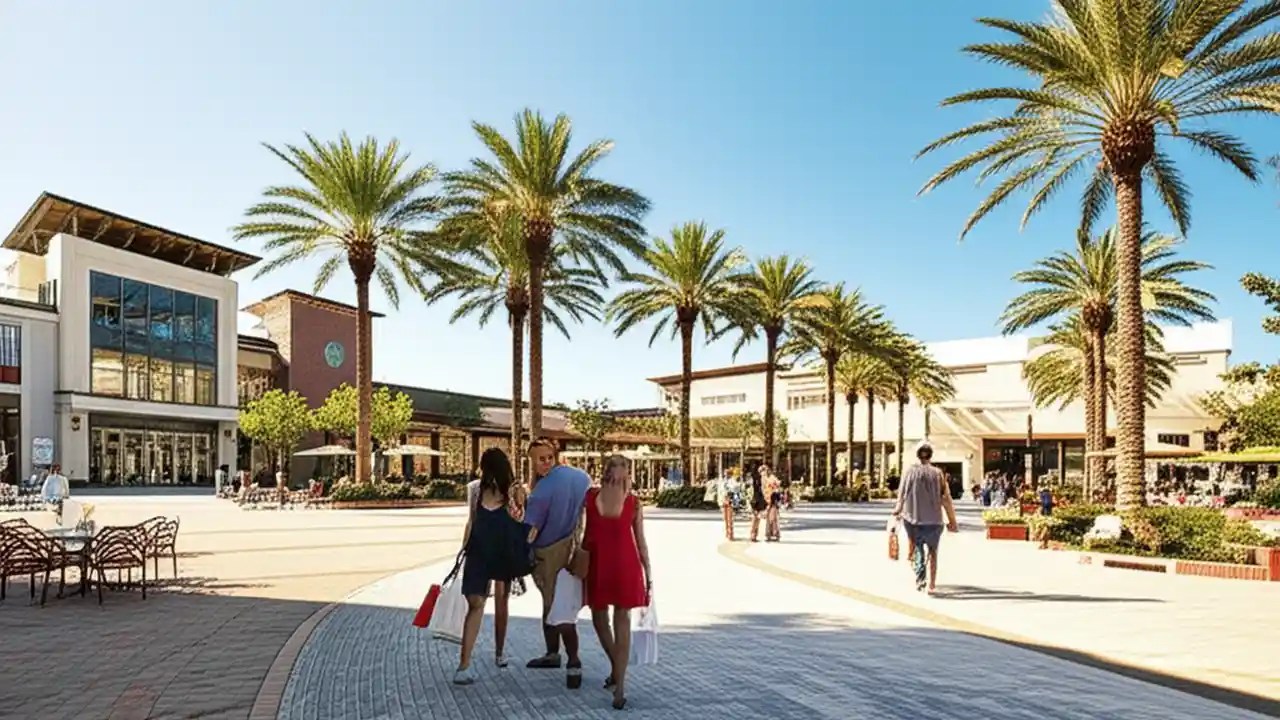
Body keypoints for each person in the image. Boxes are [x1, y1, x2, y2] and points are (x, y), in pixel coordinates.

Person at [454, 448, 530, 685]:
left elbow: (521, 519)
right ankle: (464, 664)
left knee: (501, 600)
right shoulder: (476, 489)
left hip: (503, 552)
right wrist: (462, 550)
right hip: (478, 552)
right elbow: (471, 521)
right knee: (475, 602)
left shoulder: (514, 490)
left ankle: (499, 652)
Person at [523, 439, 592, 689]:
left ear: (554, 455)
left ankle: (571, 659)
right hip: (574, 546)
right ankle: (554, 653)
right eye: (538, 460)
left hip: (547, 552)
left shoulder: (542, 491)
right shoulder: (581, 477)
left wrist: (521, 551)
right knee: (559, 604)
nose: (543, 464)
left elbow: (531, 529)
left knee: (555, 606)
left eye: (546, 458)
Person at [585, 455, 651, 710]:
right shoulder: (631, 502)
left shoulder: (592, 498)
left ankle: (618, 679)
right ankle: (619, 679)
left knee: (604, 620)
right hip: (623, 564)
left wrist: (648, 570)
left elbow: (582, 532)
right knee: (615, 621)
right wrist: (647, 570)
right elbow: (641, 540)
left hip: (603, 564)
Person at [892, 441, 958, 594]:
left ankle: (920, 577)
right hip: (934, 521)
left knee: (917, 548)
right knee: (933, 552)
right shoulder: (938, 473)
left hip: (912, 520)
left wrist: (897, 511)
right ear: (931, 455)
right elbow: (946, 499)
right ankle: (932, 585)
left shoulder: (909, 472)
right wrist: (952, 521)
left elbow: (901, 496)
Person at [748, 468, 768, 542]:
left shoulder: (764, 481)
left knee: (758, 519)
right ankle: (752, 535)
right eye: (763, 472)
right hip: (755, 501)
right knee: (755, 519)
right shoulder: (756, 480)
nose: (764, 474)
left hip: (760, 502)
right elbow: (753, 491)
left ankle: (754, 535)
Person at [717, 474, 736, 541]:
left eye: (727, 474)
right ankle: (727, 533)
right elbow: (719, 492)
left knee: (730, 519)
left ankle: (730, 534)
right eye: (725, 474)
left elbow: (734, 490)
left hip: (730, 502)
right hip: (723, 501)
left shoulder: (732, 481)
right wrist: (720, 502)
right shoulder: (721, 482)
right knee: (725, 518)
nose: (726, 475)